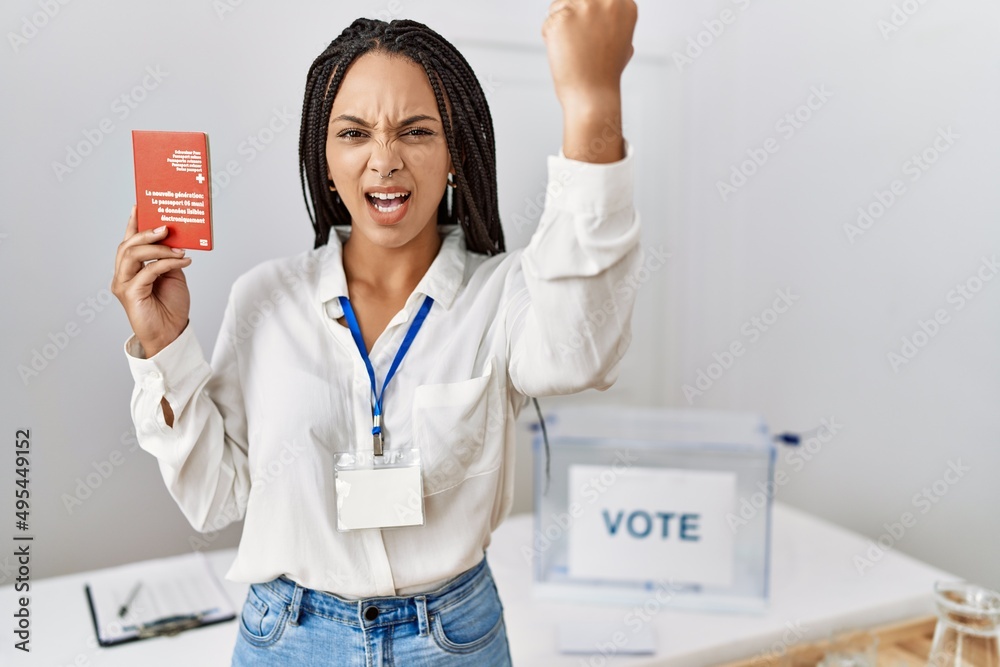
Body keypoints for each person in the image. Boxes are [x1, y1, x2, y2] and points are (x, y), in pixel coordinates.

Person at [111, 2, 640, 665]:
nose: (384, 160)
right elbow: (214, 496)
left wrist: (592, 107)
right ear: (325, 158)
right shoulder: (264, 300)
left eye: (416, 131)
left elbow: (581, 352)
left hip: (453, 638)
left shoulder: (503, 296)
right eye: (354, 133)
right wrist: (165, 347)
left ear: (454, 154)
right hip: (288, 638)